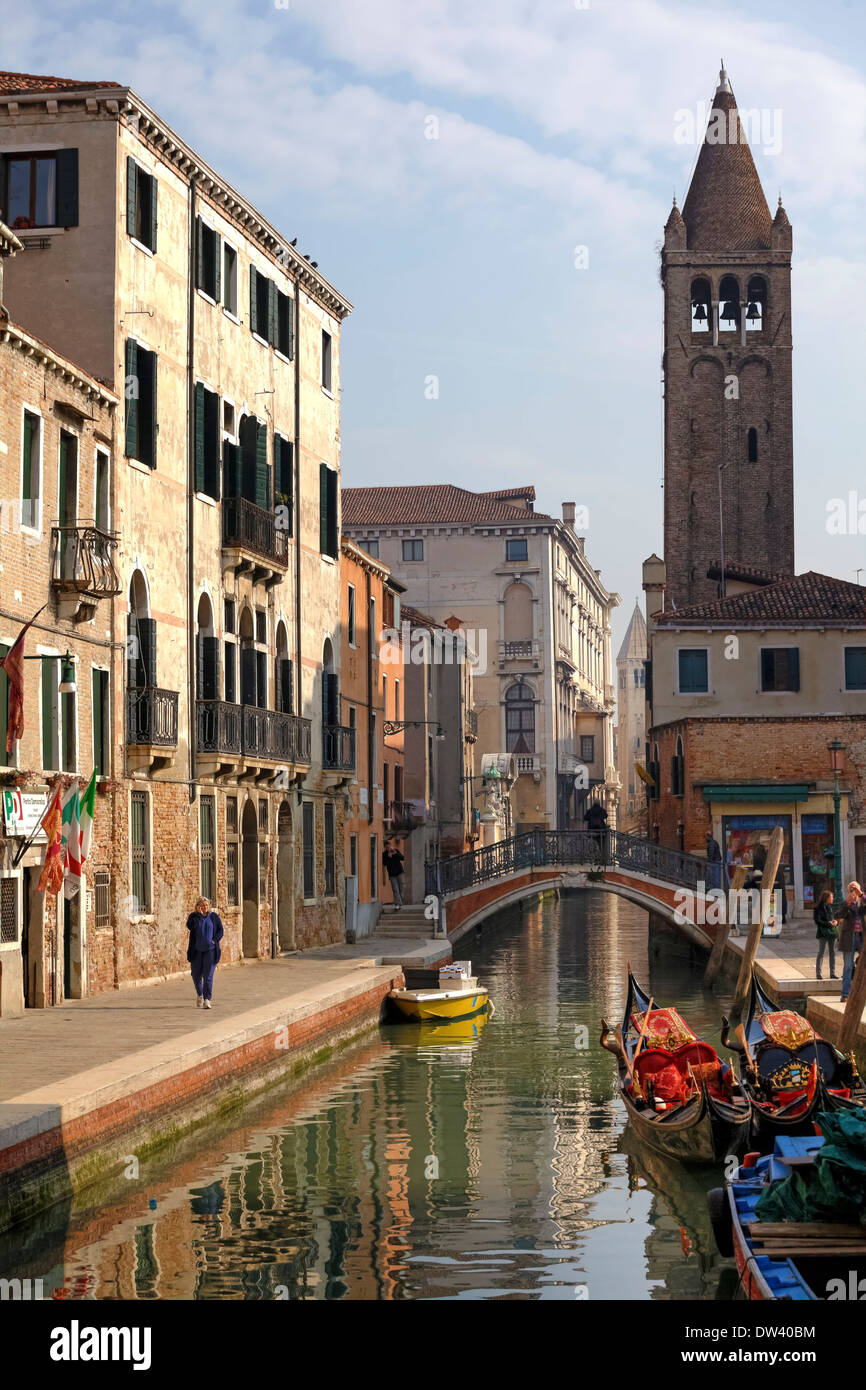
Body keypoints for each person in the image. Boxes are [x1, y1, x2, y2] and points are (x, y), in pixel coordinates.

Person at [186, 896, 224, 1009]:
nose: (205, 907)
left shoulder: (214, 917)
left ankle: (207, 999)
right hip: (196, 951)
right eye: (202, 905)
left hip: (210, 951)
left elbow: (220, 931)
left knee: (208, 976)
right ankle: (200, 994)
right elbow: (190, 926)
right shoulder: (193, 917)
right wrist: (198, 915)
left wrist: (214, 940)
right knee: (196, 975)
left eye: (206, 905)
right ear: (198, 906)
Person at [836, 881, 866, 1002]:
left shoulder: (862, 903)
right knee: (848, 966)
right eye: (851, 890)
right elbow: (838, 915)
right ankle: (845, 994)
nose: (853, 893)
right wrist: (847, 904)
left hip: (861, 938)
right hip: (849, 939)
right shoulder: (845, 904)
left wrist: (861, 894)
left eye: (855, 890)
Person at [813, 889, 839, 981]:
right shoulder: (817, 908)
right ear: (827, 898)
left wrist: (835, 922)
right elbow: (817, 921)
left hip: (831, 933)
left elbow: (831, 918)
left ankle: (832, 973)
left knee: (832, 953)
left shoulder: (829, 907)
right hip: (823, 933)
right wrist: (829, 923)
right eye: (831, 897)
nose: (833, 899)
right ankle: (818, 974)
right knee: (821, 952)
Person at [382, 839, 405, 910]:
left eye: (389, 846)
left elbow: (402, 858)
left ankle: (400, 902)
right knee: (395, 889)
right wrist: (388, 858)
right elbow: (384, 864)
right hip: (392, 875)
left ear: (390, 845)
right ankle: (397, 904)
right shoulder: (384, 854)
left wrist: (395, 853)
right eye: (386, 847)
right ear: (385, 847)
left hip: (400, 872)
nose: (388, 848)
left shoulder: (395, 850)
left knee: (401, 888)